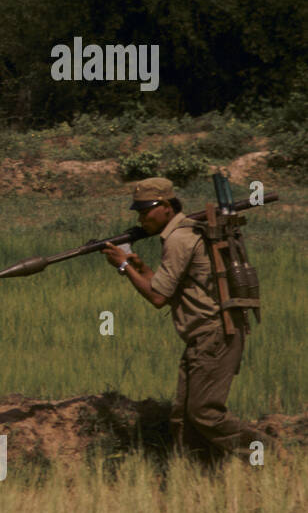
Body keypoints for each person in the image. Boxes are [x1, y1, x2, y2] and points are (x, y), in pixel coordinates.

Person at [101, 177, 272, 464]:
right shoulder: (181, 234)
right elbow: (165, 287)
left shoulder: (179, 238)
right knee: (184, 416)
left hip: (214, 335)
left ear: (166, 206)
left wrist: (122, 264)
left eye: (146, 211)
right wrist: (137, 267)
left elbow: (158, 299)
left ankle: (269, 452)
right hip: (202, 337)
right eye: (139, 213)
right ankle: (198, 477)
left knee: (204, 412)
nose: (142, 218)